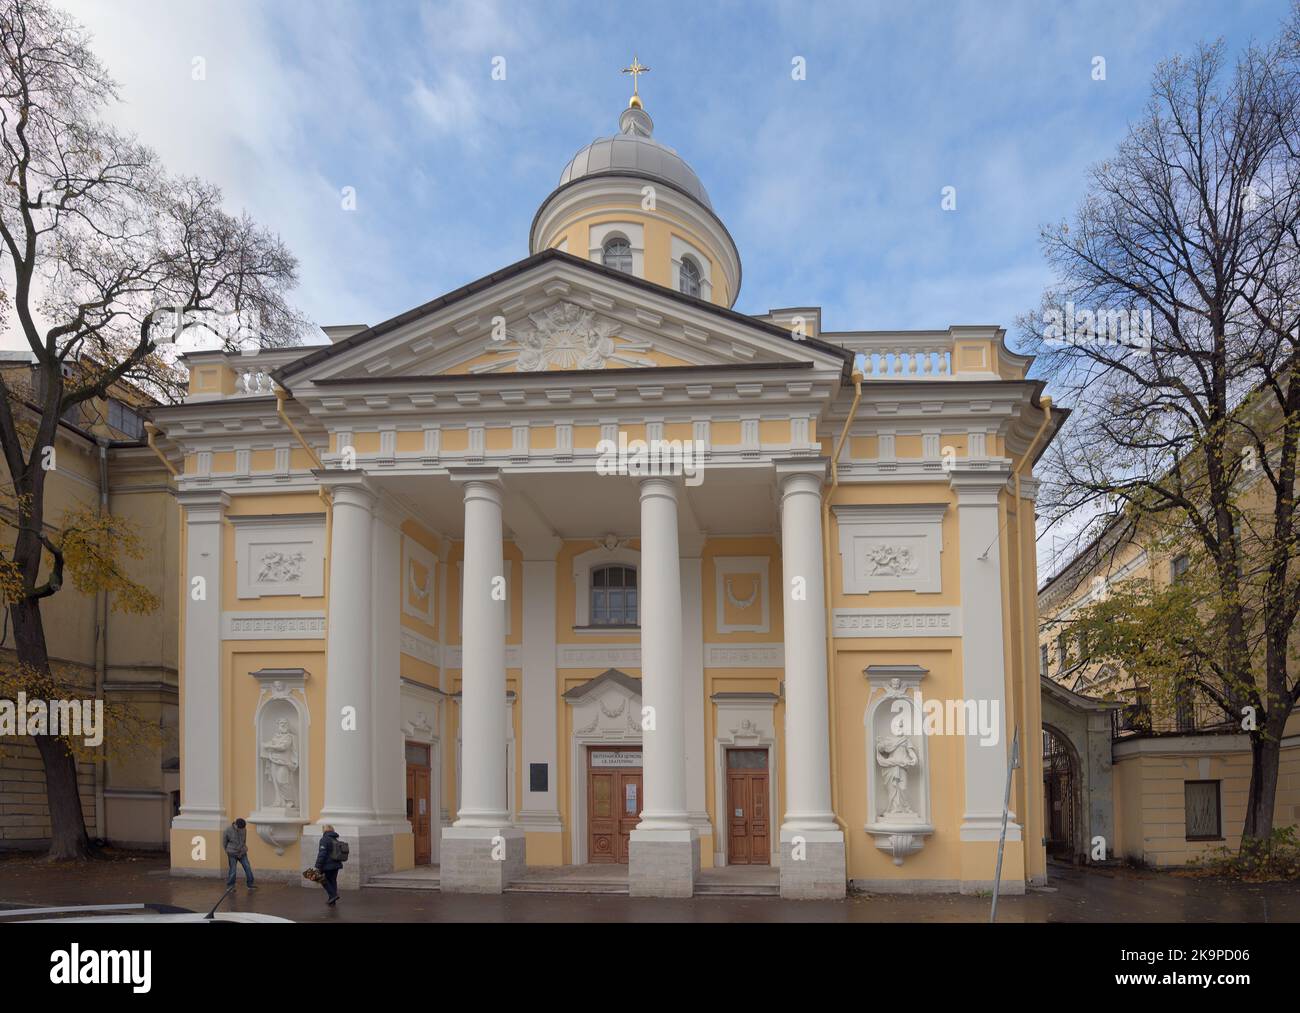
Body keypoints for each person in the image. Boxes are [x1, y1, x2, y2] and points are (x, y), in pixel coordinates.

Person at [314, 824, 345, 905]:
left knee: (322, 880)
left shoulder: (324, 839)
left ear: (324, 830)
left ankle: (333, 895)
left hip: (327, 865)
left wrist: (317, 866)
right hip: (336, 864)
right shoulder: (335, 839)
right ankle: (332, 900)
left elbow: (322, 853)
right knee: (332, 881)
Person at [222, 817, 256, 889]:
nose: (242, 830)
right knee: (233, 870)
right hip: (232, 853)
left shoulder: (244, 829)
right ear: (236, 825)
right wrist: (228, 851)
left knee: (247, 867)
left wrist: (242, 850)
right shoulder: (227, 830)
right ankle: (230, 886)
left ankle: (250, 884)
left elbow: (244, 841)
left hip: (242, 852)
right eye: (240, 828)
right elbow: (224, 843)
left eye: (243, 828)